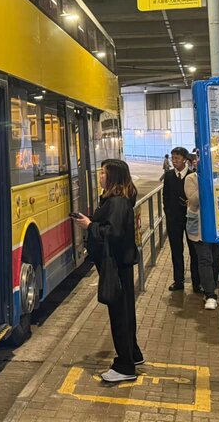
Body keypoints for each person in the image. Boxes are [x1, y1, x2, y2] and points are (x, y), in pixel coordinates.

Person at [73, 159, 144, 382]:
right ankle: (133, 354)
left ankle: (125, 367)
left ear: (113, 177)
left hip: (115, 265)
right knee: (125, 312)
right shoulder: (119, 200)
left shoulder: (117, 203)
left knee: (119, 315)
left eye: (104, 173)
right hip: (120, 264)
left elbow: (113, 234)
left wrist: (89, 226)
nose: (100, 176)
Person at [162, 146, 199, 292]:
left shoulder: (193, 175)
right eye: (173, 158)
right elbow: (165, 196)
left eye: (177, 158)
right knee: (176, 250)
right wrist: (168, 213)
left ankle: (197, 282)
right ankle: (178, 281)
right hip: (174, 219)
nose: (174, 161)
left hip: (191, 219)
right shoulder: (169, 176)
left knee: (194, 250)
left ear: (185, 159)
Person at [184, 166, 219, 310]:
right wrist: (206, 182)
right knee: (205, 259)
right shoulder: (191, 179)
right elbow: (193, 201)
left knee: (215, 258)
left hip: (216, 225)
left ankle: (212, 287)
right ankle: (210, 294)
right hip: (199, 226)